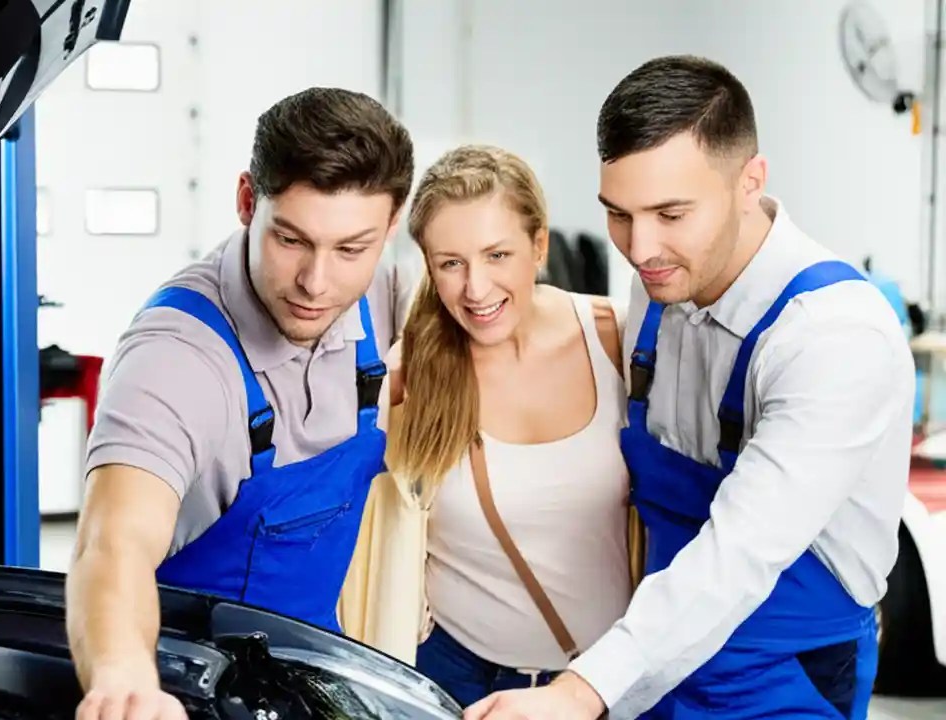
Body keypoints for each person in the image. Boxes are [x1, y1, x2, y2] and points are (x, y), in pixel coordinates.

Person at [464, 55, 916, 720]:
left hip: (781, 676)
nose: (640, 247)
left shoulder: (833, 336)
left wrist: (580, 692)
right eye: (618, 214)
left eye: (670, 213)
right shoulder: (659, 288)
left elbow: (739, 553)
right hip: (655, 653)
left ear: (749, 183)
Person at [65, 86, 417, 720]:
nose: (317, 282)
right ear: (247, 201)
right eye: (290, 240)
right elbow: (111, 541)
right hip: (190, 691)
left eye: (350, 249)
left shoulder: (387, 295)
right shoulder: (176, 356)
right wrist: (123, 679)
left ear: (391, 229)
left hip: (312, 677)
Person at [338, 144, 644, 709]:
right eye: (451, 263)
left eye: (497, 255)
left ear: (539, 246)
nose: (475, 289)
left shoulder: (616, 341)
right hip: (456, 679)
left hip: (596, 684)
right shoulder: (413, 372)